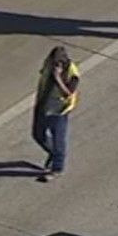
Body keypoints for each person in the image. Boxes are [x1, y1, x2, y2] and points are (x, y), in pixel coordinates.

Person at [31, 46, 80, 182]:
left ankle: (57, 168)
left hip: (59, 110)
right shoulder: (48, 64)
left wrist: (57, 77)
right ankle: (53, 154)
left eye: (58, 62)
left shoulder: (72, 72)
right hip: (43, 106)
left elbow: (68, 93)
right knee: (38, 135)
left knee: (58, 140)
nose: (54, 64)